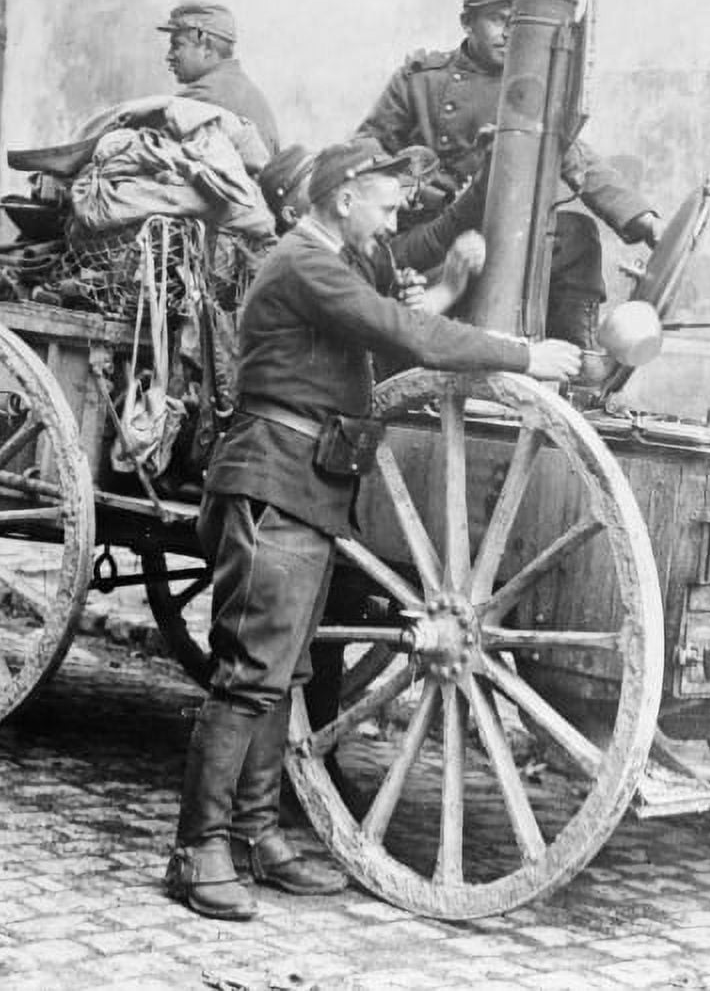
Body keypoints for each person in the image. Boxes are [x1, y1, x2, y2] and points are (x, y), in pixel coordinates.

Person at [167, 137, 582, 921]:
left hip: (309, 484)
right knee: (250, 673)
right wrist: (524, 354)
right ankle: (197, 849)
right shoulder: (303, 263)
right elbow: (409, 335)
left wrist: (457, 271)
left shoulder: (340, 259)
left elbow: (410, 300)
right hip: (274, 482)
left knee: (284, 673)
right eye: (387, 207)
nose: (393, 224)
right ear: (344, 194)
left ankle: (257, 834)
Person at [355, 0, 662, 351]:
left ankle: (576, 359)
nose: (508, 33)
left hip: (498, 235)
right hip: (429, 242)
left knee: (576, 235)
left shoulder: (530, 90)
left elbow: (578, 158)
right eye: (498, 20)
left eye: (517, 22)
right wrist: (403, 181)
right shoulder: (420, 80)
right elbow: (364, 148)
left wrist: (643, 219)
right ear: (467, 23)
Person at [159, 0, 281, 160]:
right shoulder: (241, 87)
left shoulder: (203, 96)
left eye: (177, 46)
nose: (169, 56)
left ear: (207, 47)